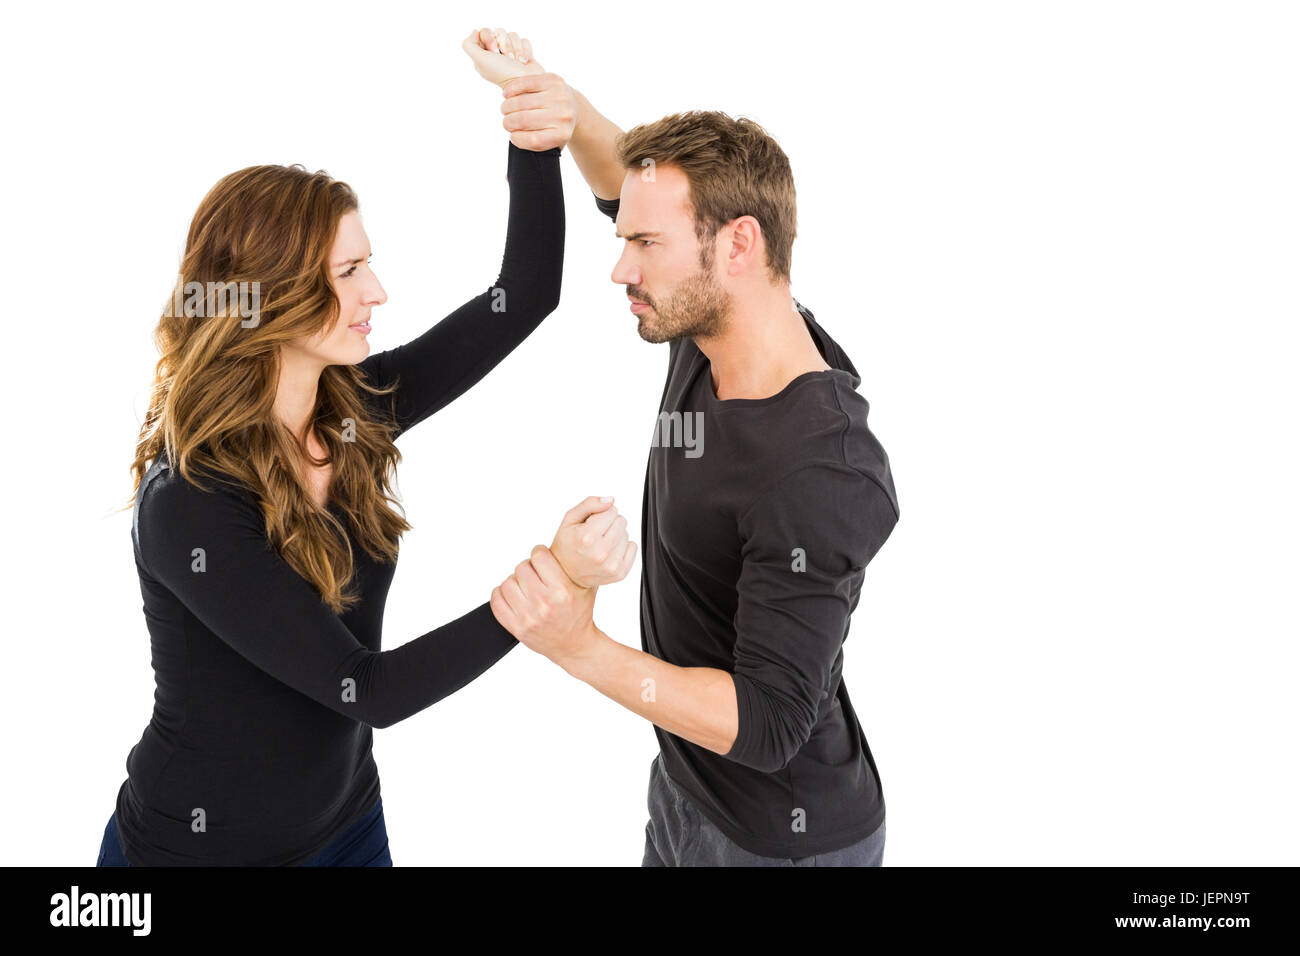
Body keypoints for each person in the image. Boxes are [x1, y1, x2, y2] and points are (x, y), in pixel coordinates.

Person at [96, 27, 631, 867]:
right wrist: (548, 584)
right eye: (349, 274)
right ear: (271, 300)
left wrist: (529, 122)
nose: (377, 292)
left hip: (349, 830)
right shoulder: (190, 503)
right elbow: (368, 690)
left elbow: (523, 296)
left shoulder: (353, 410)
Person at [488, 60, 900, 866]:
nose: (620, 268)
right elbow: (626, 180)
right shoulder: (710, 316)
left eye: (643, 243)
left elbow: (772, 722)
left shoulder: (822, 472)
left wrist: (578, 645)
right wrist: (567, 109)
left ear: (738, 243)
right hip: (686, 783)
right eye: (625, 238)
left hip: (781, 841)